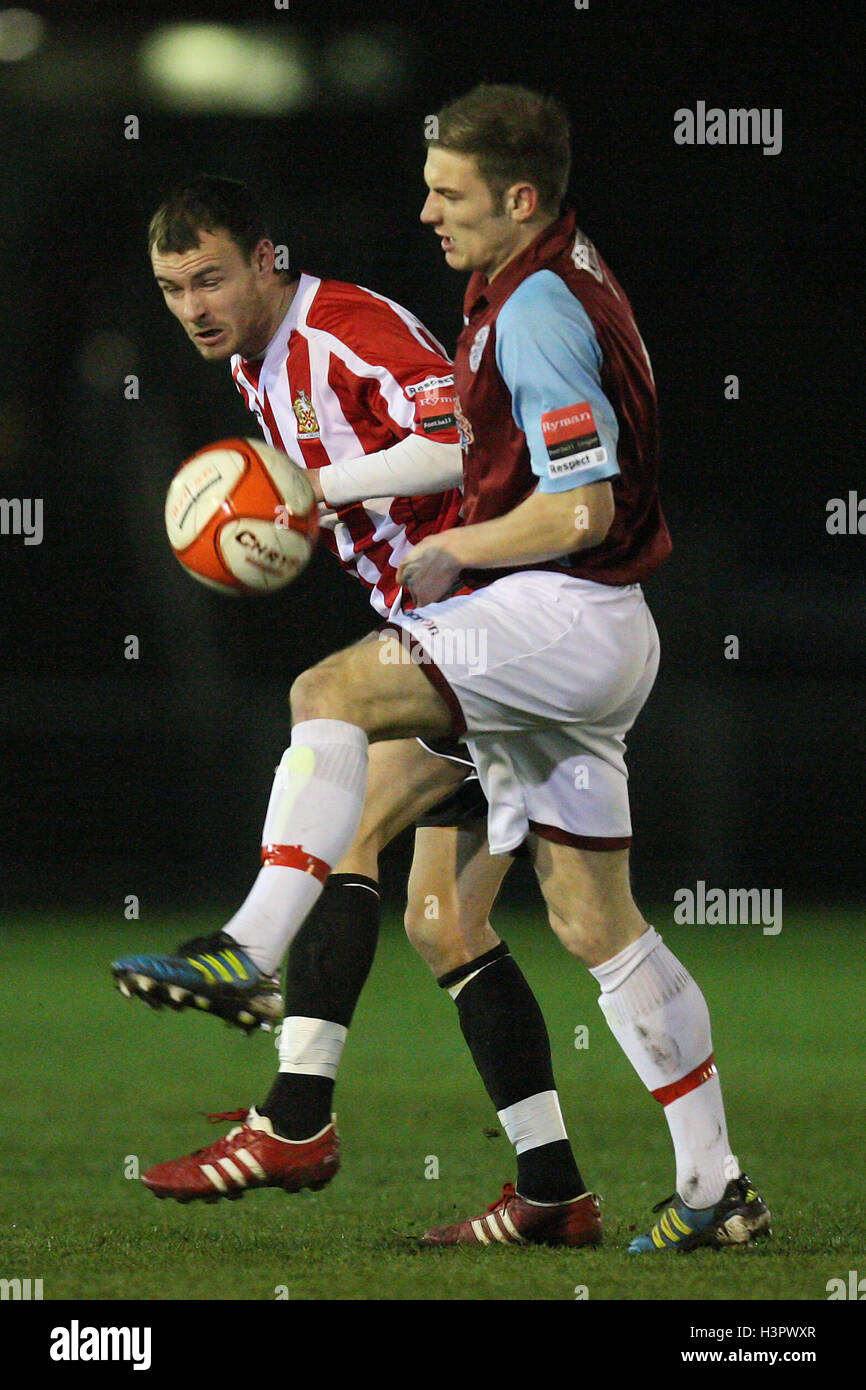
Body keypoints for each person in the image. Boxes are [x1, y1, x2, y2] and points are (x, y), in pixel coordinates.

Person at [135, 87, 772, 1254]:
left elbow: (577, 504)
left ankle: (253, 973)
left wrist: (437, 539)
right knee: (580, 922)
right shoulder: (538, 277)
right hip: (584, 626)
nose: (423, 210)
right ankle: (697, 1186)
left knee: (325, 703)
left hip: (547, 615)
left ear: (517, 199)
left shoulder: (528, 307)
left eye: (447, 191)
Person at [116, 175, 601, 1247]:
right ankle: (552, 1192)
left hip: (497, 623)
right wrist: (320, 501)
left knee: (324, 716)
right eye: (170, 288)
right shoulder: (257, 361)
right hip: (467, 633)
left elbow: (467, 441)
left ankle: (263, 1010)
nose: (192, 305)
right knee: (442, 919)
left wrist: (316, 487)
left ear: (266, 261)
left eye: (209, 278)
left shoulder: (341, 328)